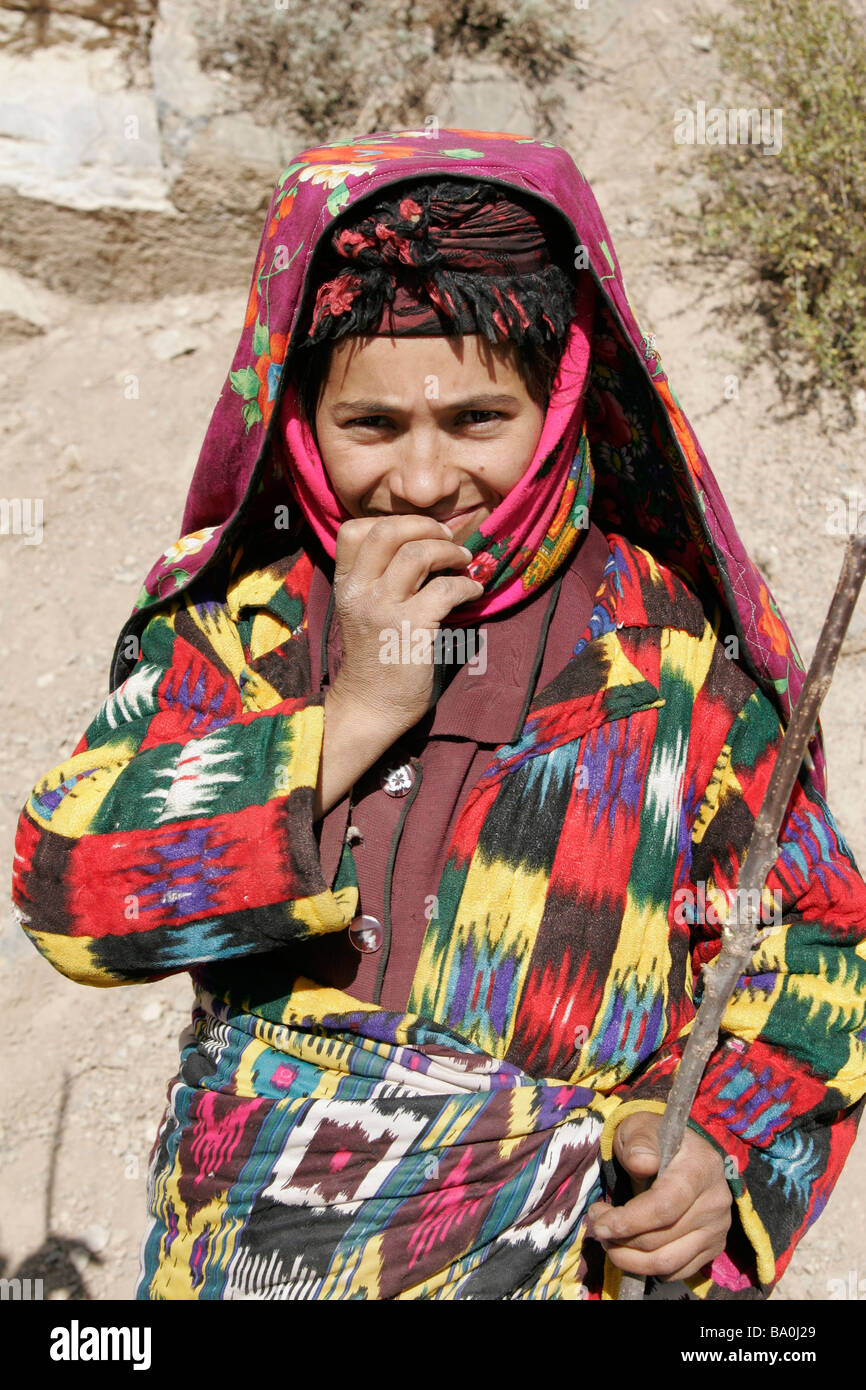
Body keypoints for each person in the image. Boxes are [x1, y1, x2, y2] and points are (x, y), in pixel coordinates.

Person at [11, 127, 866, 1302]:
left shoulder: (666, 658)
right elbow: (72, 895)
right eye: (371, 428)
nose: (421, 482)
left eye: (475, 421)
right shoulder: (253, 628)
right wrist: (355, 710)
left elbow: (811, 942)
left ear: (561, 399)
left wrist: (711, 1145)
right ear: (303, 417)